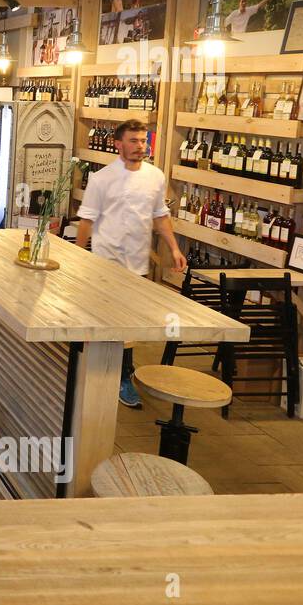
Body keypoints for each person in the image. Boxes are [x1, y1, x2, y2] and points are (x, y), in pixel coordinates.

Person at [76, 118, 187, 407]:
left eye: (143, 140)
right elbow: (87, 220)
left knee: (127, 325)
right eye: (135, 141)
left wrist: (174, 248)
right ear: (118, 144)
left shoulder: (155, 177)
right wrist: (77, 257)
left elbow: (160, 217)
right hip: (105, 262)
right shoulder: (102, 178)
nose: (141, 146)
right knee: (104, 321)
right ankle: (109, 374)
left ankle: (120, 375)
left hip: (136, 263)